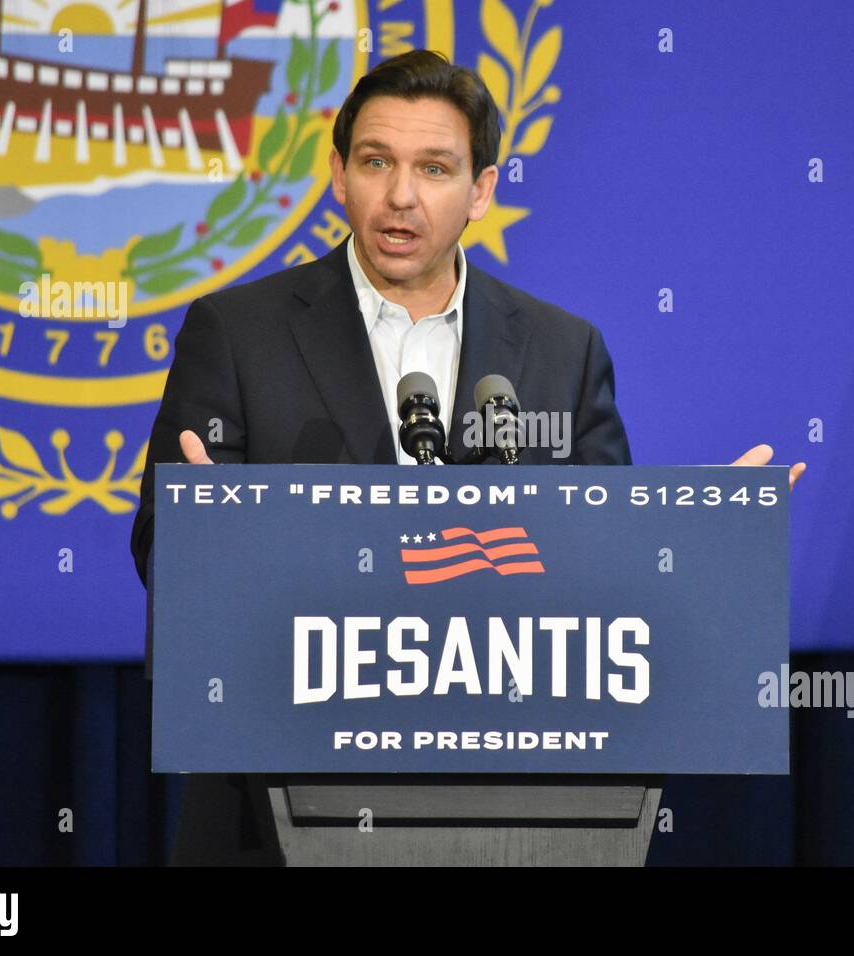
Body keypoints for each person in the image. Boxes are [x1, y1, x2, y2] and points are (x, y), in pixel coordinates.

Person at [130, 49, 804, 865]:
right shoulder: (237, 334)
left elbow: (605, 563)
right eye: (376, 162)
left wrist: (697, 543)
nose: (401, 195)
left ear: (481, 190)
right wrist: (213, 543)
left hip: (518, 802)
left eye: (435, 168)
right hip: (278, 802)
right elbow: (162, 550)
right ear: (338, 174)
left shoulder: (562, 350)